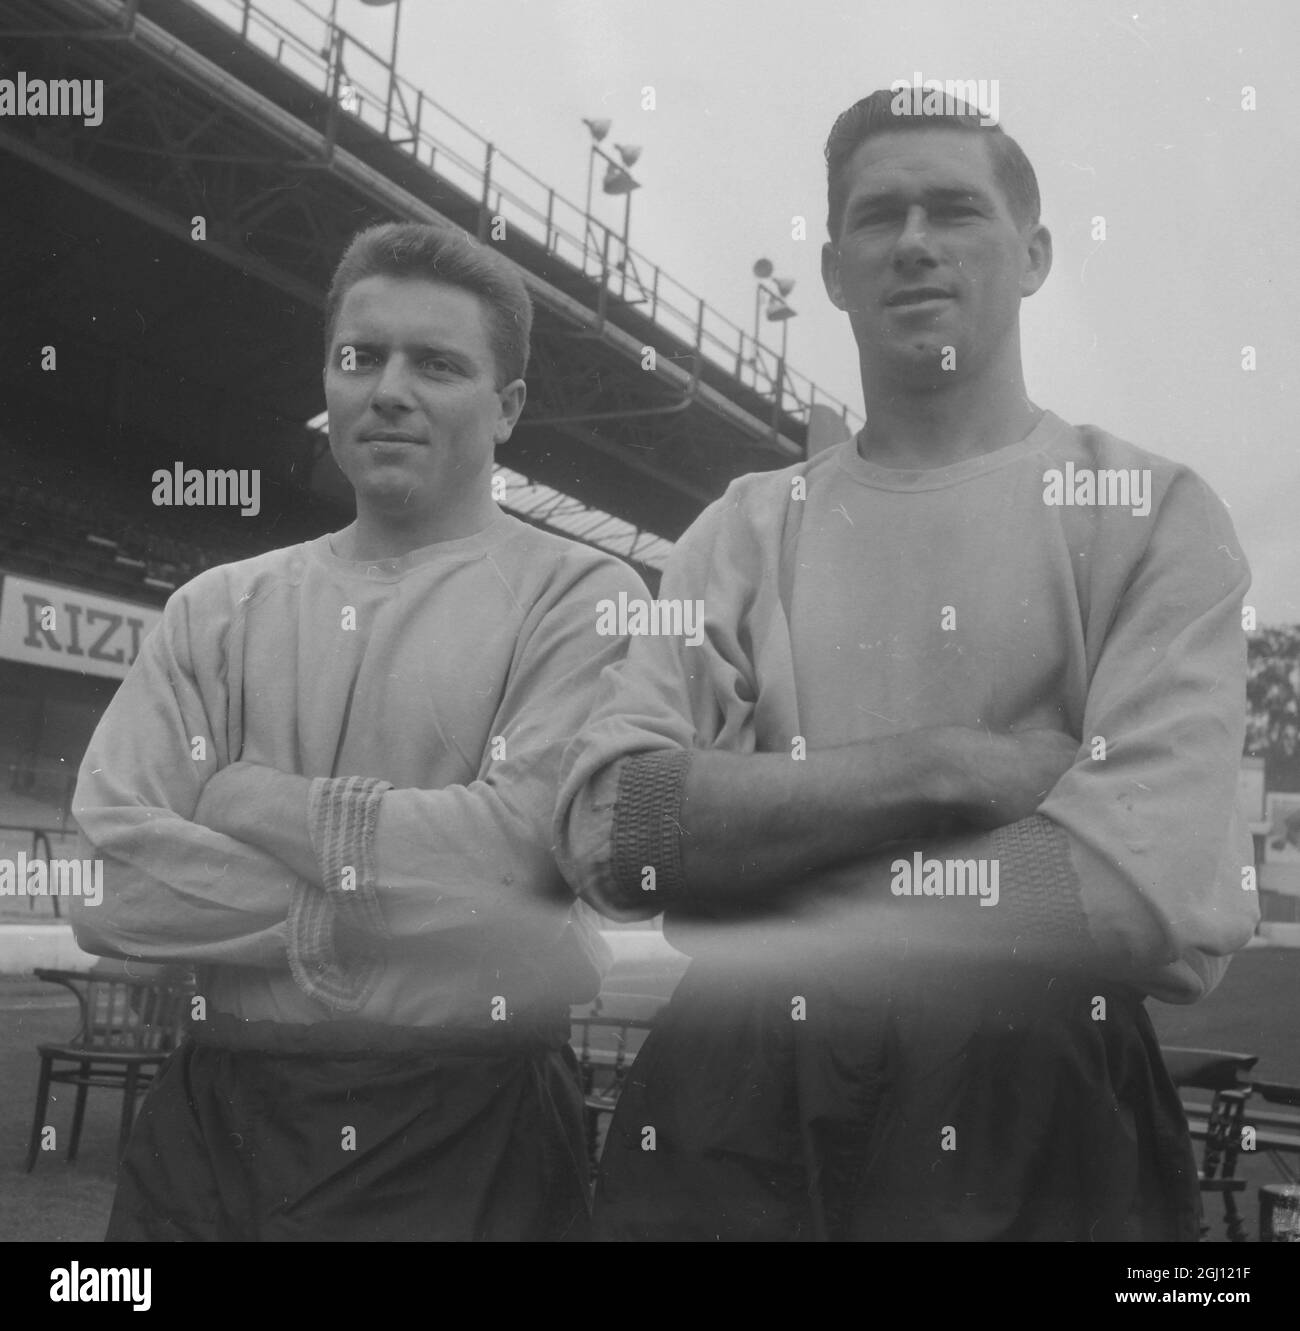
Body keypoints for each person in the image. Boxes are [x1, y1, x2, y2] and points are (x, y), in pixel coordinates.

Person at [554, 91, 1258, 1241]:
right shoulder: (739, 528)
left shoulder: (1152, 512)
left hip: (1038, 1090)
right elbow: (610, 831)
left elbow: (1134, 895)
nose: (916, 240)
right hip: (736, 1090)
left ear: (1031, 254)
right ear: (833, 270)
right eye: (879, 215)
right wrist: (954, 770)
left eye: (954, 209)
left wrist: (753, 862)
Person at [70, 221, 646, 1241]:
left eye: (436, 363)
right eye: (360, 356)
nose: (388, 388)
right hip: (210, 1118)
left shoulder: (582, 593)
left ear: (506, 407)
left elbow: (519, 869)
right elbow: (118, 882)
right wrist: (371, 899)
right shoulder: (215, 606)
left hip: (468, 1118)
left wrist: (248, 800)